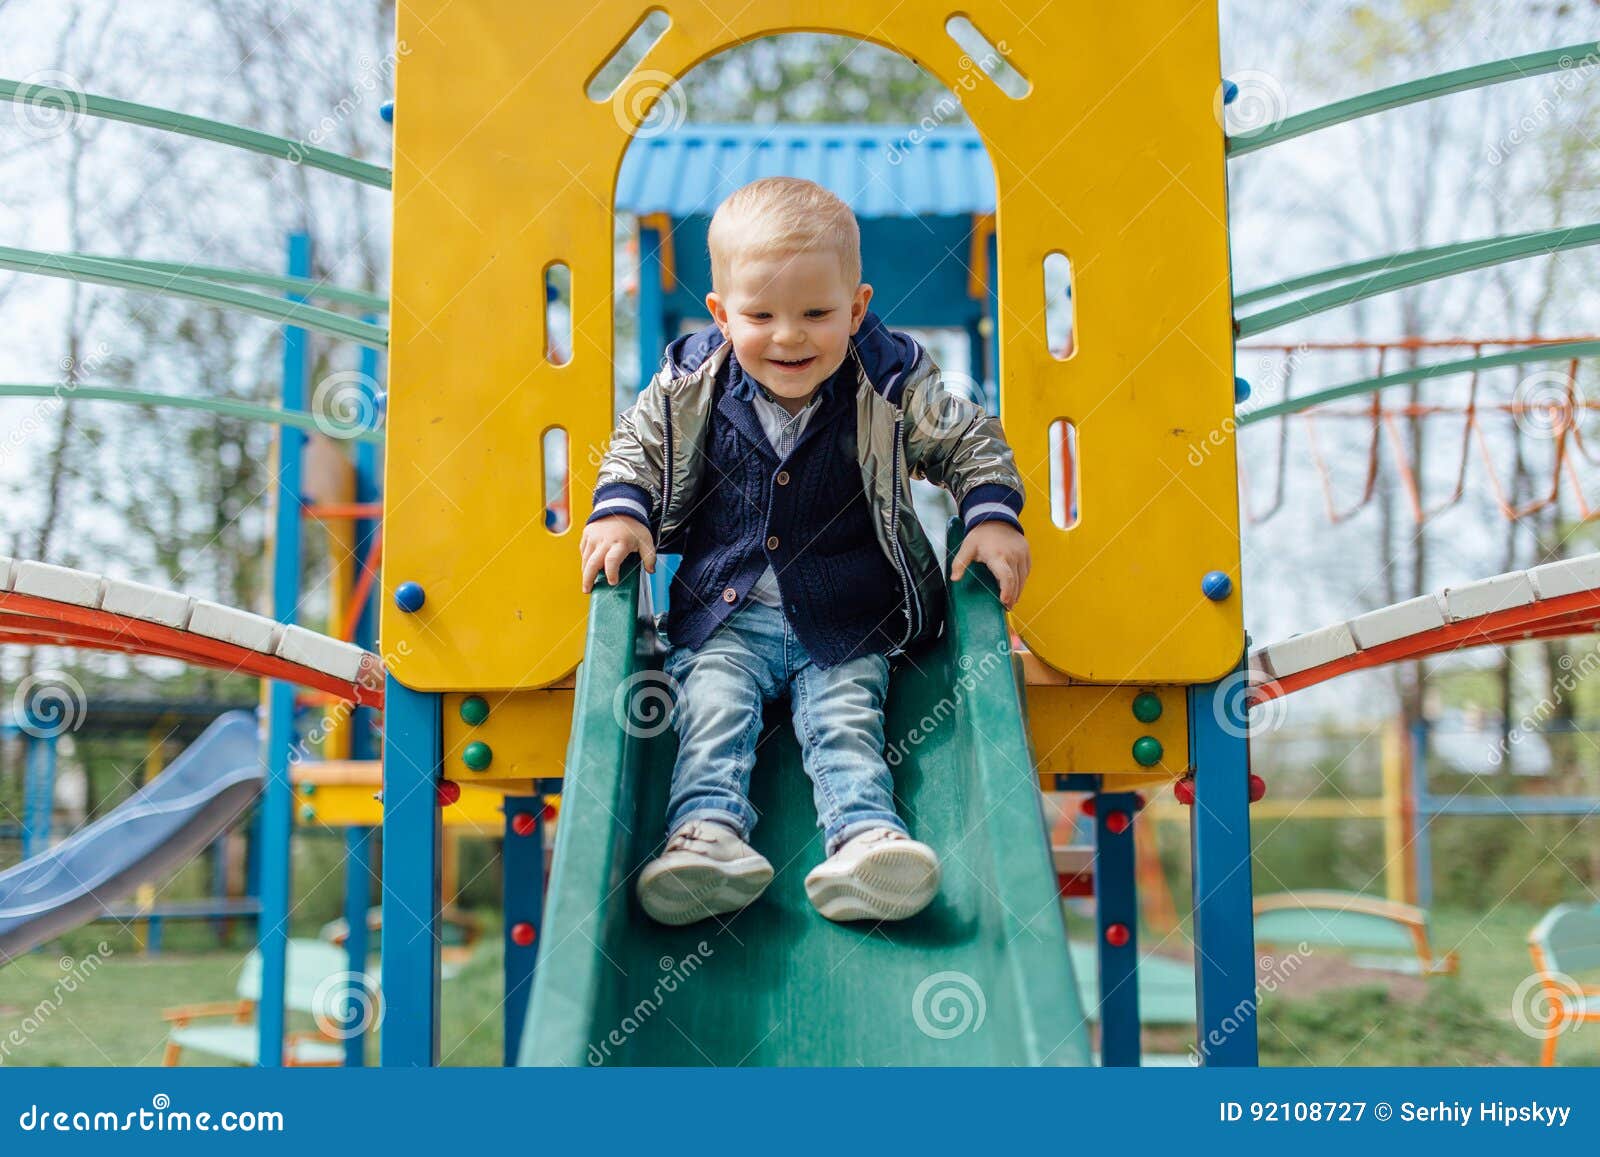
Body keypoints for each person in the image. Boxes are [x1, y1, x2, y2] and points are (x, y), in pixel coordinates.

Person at [580, 176, 1030, 925]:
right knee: (713, 707)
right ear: (722, 315)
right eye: (761, 315)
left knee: (846, 716)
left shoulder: (889, 378)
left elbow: (967, 438)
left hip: (849, 616)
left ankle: (863, 840)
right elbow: (638, 447)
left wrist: (990, 515)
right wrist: (624, 512)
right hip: (726, 618)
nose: (789, 336)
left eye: (817, 313)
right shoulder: (692, 381)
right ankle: (706, 837)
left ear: (856, 308)